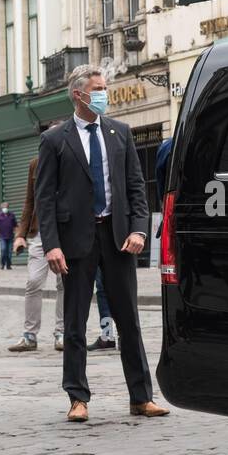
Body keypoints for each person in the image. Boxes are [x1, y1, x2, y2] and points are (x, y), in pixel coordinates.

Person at [35, 65, 166, 423]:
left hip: (118, 237)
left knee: (129, 320)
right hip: (76, 241)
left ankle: (141, 397)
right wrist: (52, 245)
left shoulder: (120, 133)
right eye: (97, 88)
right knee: (75, 323)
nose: (103, 94)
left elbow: (137, 188)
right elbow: (44, 198)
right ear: (78, 95)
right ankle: (77, 398)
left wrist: (139, 230)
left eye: (105, 88)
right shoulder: (55, 139)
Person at [8, 154, 65, 353]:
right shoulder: (35, 164)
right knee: (33, 281)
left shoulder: (73, 160)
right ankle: (29, 335)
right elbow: (29, 202)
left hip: (66, 232)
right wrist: (20, 235)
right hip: (40, 234)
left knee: (64, 282)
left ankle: (62, 332)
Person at [0, 201, 17, 270]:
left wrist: (17, 235)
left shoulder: (12, 215)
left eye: (6, 207)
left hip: (10, 236)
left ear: (8, 208)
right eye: (3, 207)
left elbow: (15, 226)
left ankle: (8, 265)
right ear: (1, 208)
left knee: (9, 252)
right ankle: (2, 264)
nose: (5, 208)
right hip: (2, 236)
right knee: (3, 250)